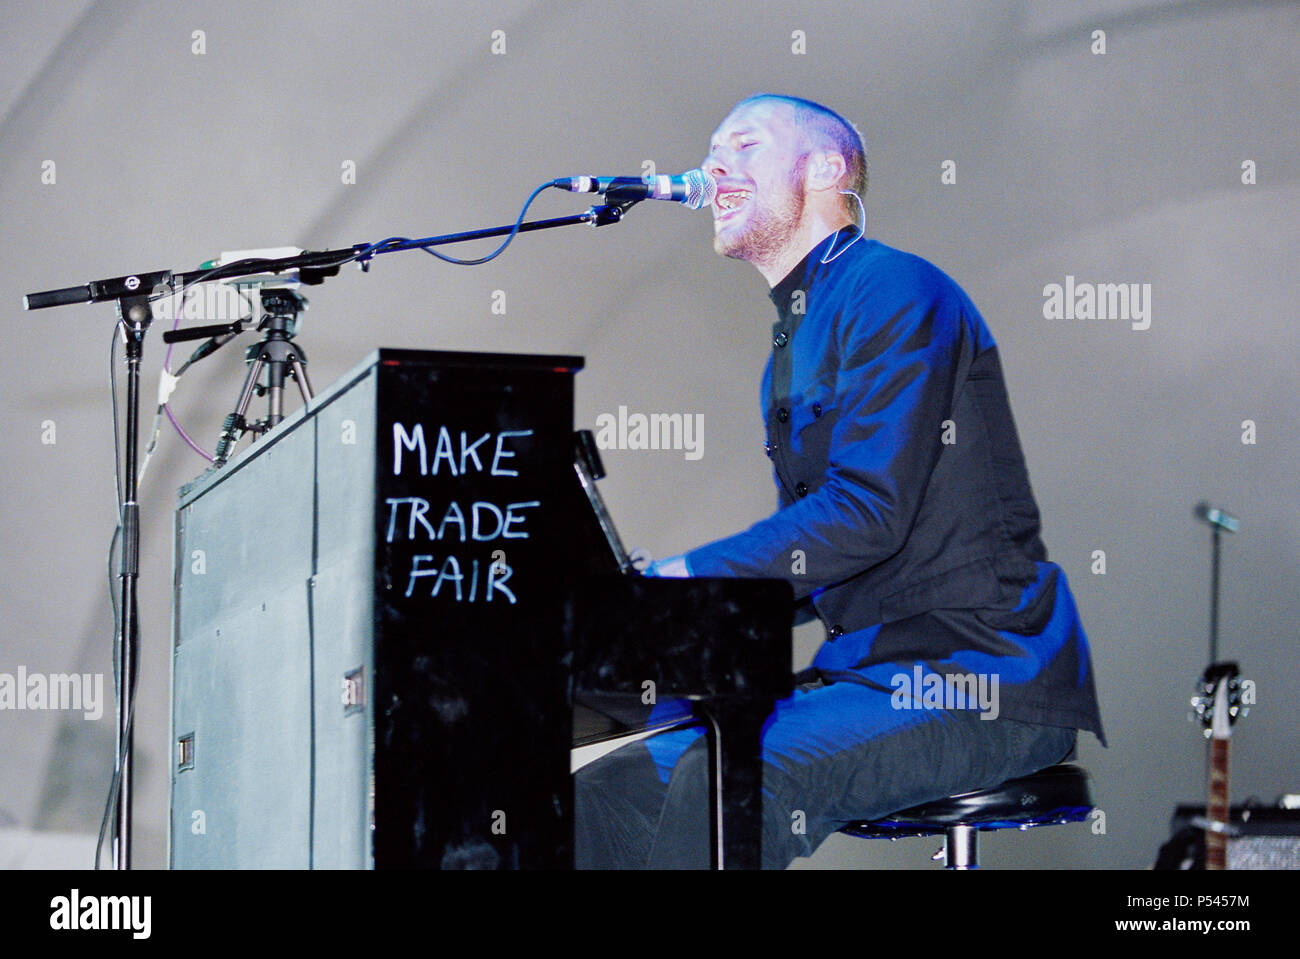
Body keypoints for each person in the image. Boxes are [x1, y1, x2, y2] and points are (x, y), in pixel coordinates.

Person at [574, 93, 1105, 869]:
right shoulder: (790, 342)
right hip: (864, 675)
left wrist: (686, 575)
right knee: (603, 790)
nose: (714, 165)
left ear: (825, 168)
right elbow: (813, 561)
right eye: (712, 149)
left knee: (720, 782)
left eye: (745, 145)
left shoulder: (893, 290)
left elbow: (866, 515)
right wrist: (671, 614)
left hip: (977, 676)